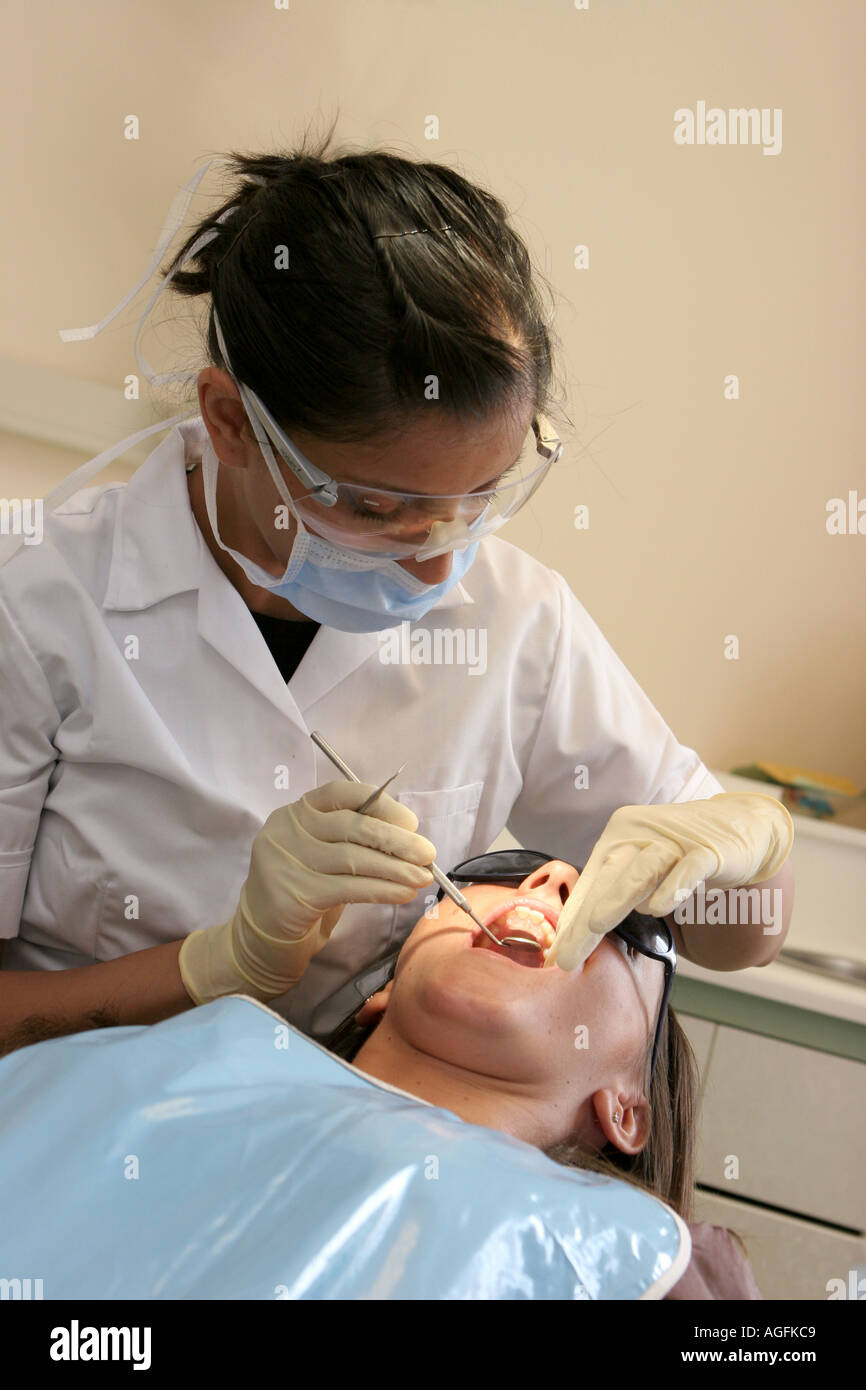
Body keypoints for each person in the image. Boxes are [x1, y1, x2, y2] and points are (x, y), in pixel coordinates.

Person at [0, 120, 794, 1053]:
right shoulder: (40, 600)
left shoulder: (515, 620)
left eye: (479, 499)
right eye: (377, 508)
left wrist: (751, 850)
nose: (437, 562)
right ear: (230, 422)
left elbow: (738, 940)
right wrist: (220, 966)